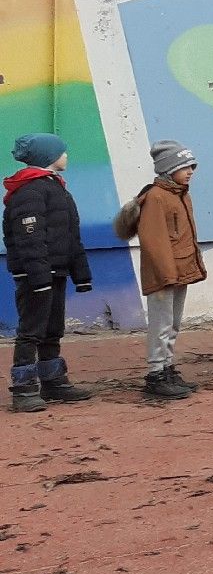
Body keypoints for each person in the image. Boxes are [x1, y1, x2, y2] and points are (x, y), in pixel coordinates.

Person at [6, 134, 94, 412]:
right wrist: (38, 276)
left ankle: (53, 381)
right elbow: (28, 237)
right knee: (31, 330)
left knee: (53, 328)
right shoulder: (30, 191)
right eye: (61, 151)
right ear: (47, 157)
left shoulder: (56, 188)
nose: (66, 156)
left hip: (55, 271)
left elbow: (71, 236)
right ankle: (23, 388)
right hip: (36, 275)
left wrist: (81, 274)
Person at [131, 141, 206, 402]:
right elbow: (155, 241)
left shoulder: (180, 193)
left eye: (191, 166)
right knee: (161, 325)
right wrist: (167, 274)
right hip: (163, 275)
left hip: (179, 270)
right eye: (184, 167)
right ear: (167, 169)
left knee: (173, 323)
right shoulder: (156, 197)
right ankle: (156, 374)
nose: (190, 171)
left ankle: (167, 367)